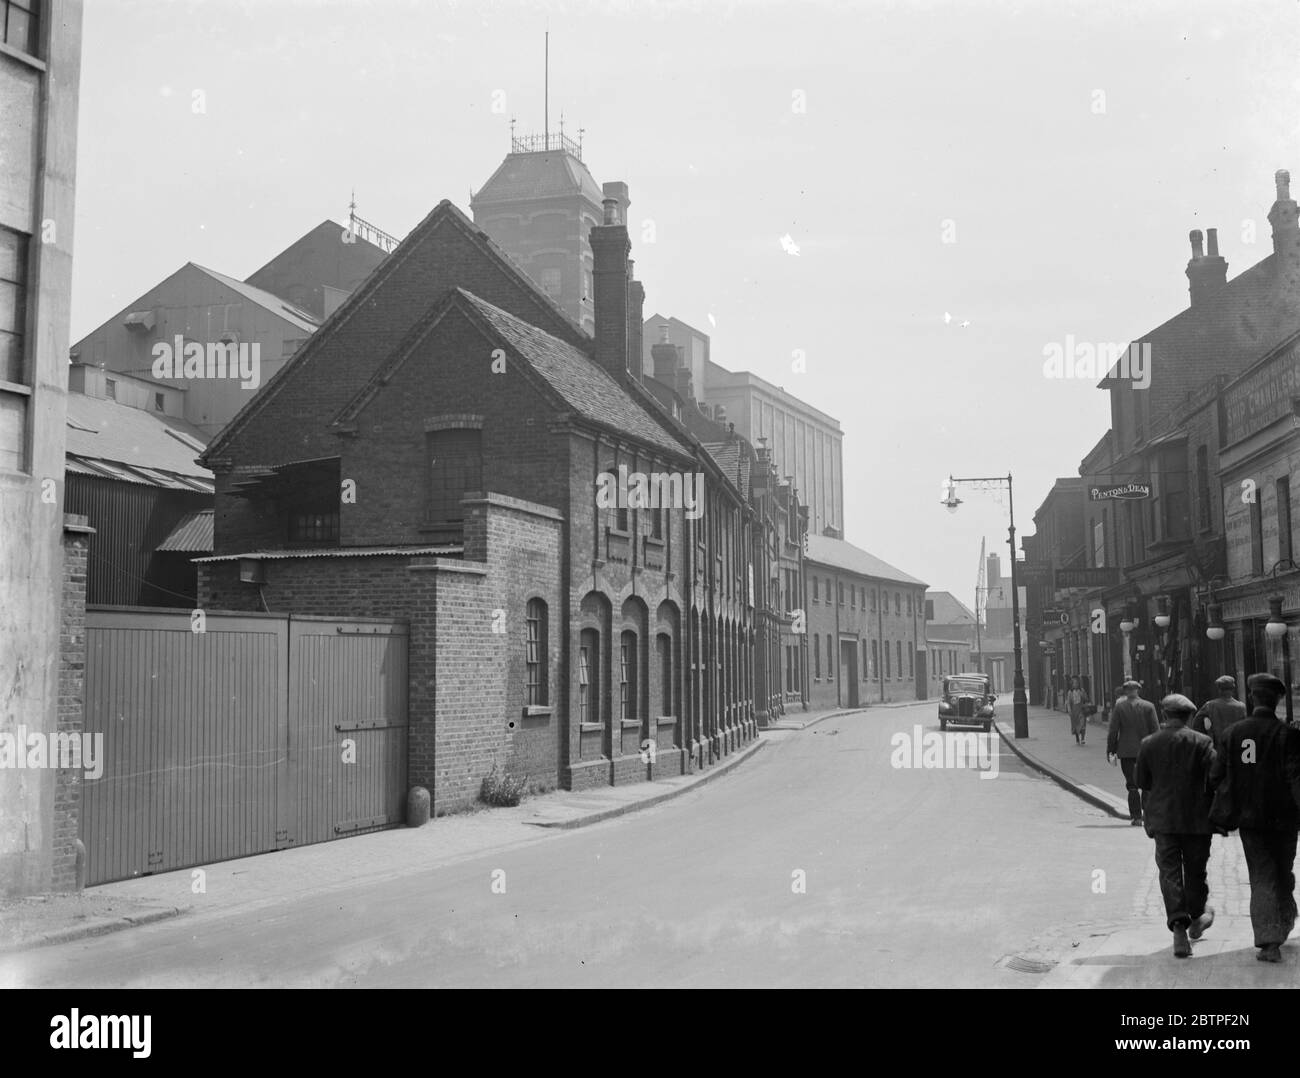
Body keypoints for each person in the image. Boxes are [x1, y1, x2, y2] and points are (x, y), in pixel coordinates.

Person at [1209, 673, 1300, 963]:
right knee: (1283, 870)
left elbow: (1215, 775)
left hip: (1250, 818)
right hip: (1285, 819)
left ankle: (1269, 939)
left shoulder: (1234, 733)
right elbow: (1295, 778)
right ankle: (1282, 923)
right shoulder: (1289, 735)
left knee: (1261, 874)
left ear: (1252, 698)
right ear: (1278, 701)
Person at [1134, 693, 1217, 958]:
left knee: (1169, 872)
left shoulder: (1149, 743)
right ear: (1190, 716)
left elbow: (1142, 781)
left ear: (1165, 714)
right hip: (1196, 819)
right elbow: (1216, 777)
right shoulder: (1202, 742)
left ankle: (1179, 929)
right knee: (1196, 871)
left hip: (1164, 820)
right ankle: (1196, 916)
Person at [1108, 680, 1160, 825]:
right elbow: (1156, 731)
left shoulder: (1119, 707)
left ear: (1125, 691)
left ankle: (1136, 817)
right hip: (1146, 751)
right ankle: (1148, 815)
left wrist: (1111, 750)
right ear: (1138, 690)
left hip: (1126, 751)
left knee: (1132, 785)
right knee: (1147, 784)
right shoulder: (1149, 706)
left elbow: (1113, 731)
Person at [1196, 675, 1247, 752]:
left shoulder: (1210, 705)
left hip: (1217, 748)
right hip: (1236, 748)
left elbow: (1196, 723)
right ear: (1233, 689)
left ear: (1219, 690)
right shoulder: (1241, 707)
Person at [1066, 676, 1091, 745]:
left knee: (1082, 724)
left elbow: (1086, 699)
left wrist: (1086, 703)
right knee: (1075, 725)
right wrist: (1069, 710)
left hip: (1081, 709)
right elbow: (1068, 702)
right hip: (1074, 710)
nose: (1076, 684)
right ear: (1072, 684)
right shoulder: (1070, 692)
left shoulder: (1082, 690)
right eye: (1074, 683)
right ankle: (1077, 738)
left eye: (1077, 683)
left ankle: (1082, 738)